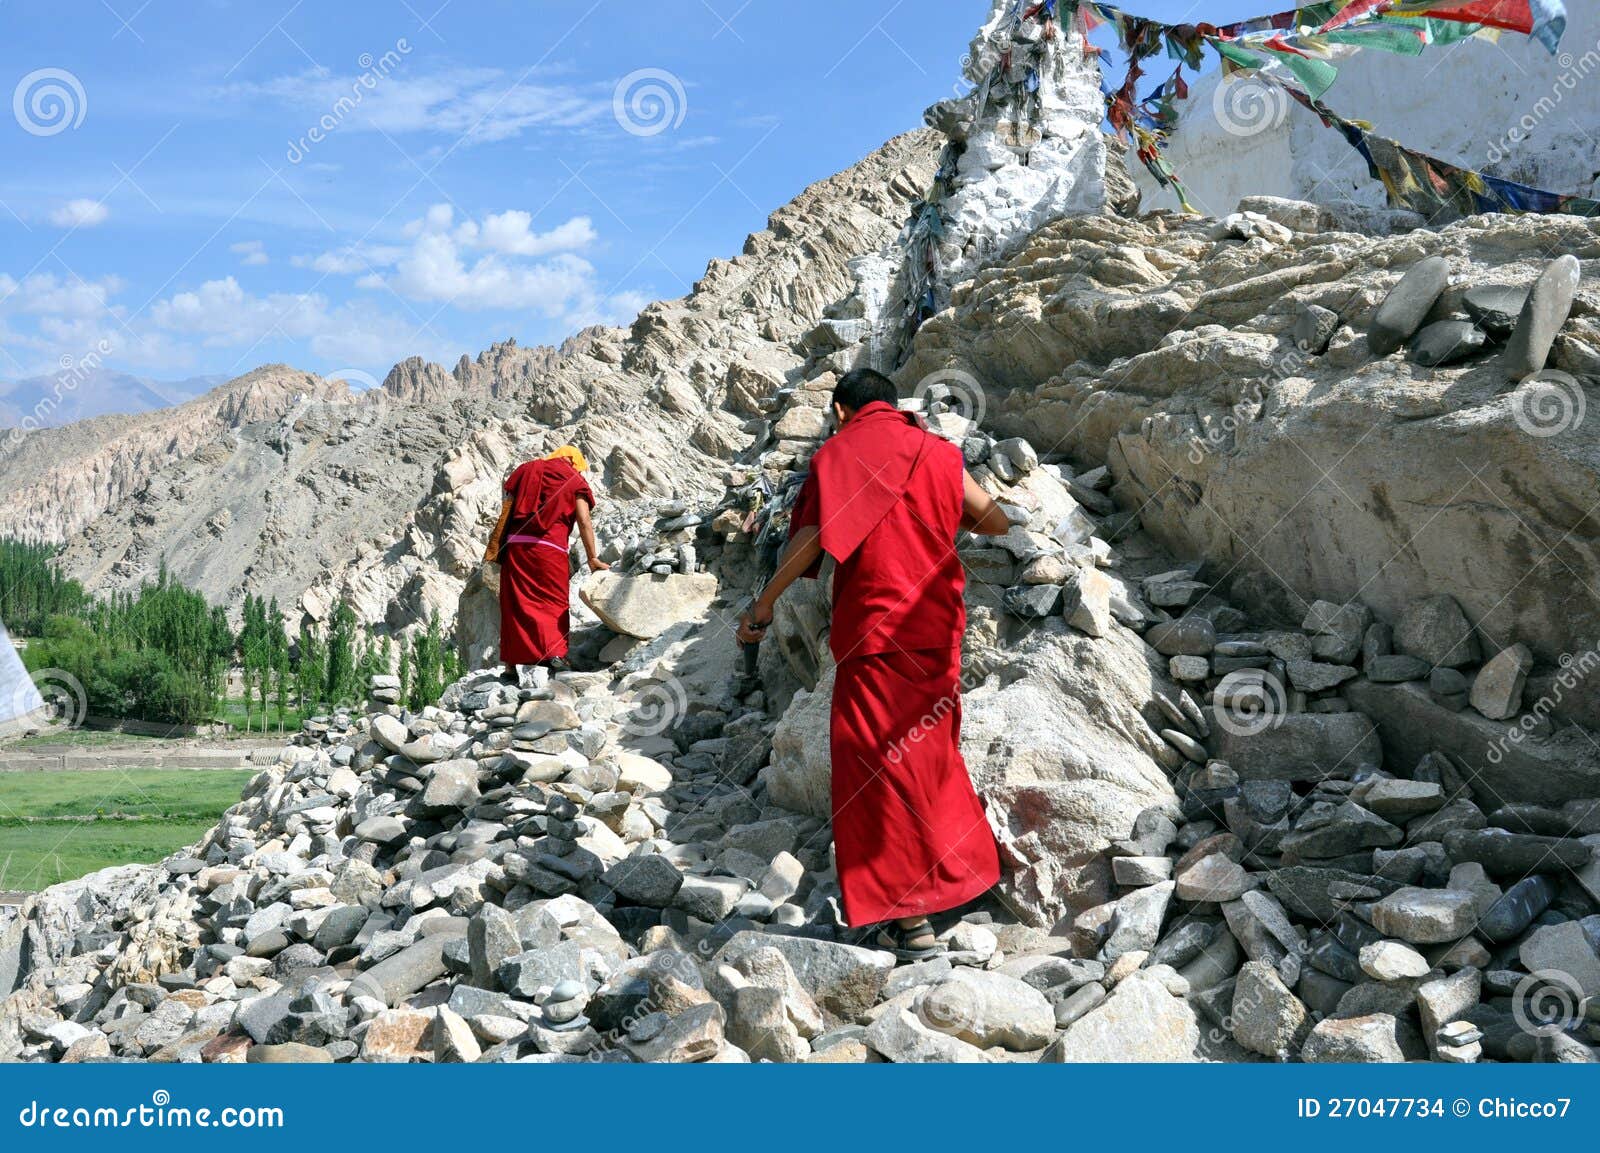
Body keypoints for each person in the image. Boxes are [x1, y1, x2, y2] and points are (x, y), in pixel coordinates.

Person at [737, 368, 1013, 958]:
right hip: (937, 629)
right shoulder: (938, 451)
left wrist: (763, 602)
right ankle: (958, 881)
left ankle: (909, 920)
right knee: (928, 754)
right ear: (894, 404)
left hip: (875, 629)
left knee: (873, 769)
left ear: (841, 411)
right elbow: (994, 520)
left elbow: (810, 542)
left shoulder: (838, 456)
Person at [485, 446, 609, 685]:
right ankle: (554, 655)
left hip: (516, 549)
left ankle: (511, 667)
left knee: (515, 605)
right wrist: (592, 558)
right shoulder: (574, 480)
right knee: (551, 602)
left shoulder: (526, 471)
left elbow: (507, 511)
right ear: (574, 463)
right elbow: (584, 521)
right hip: (549, 552)